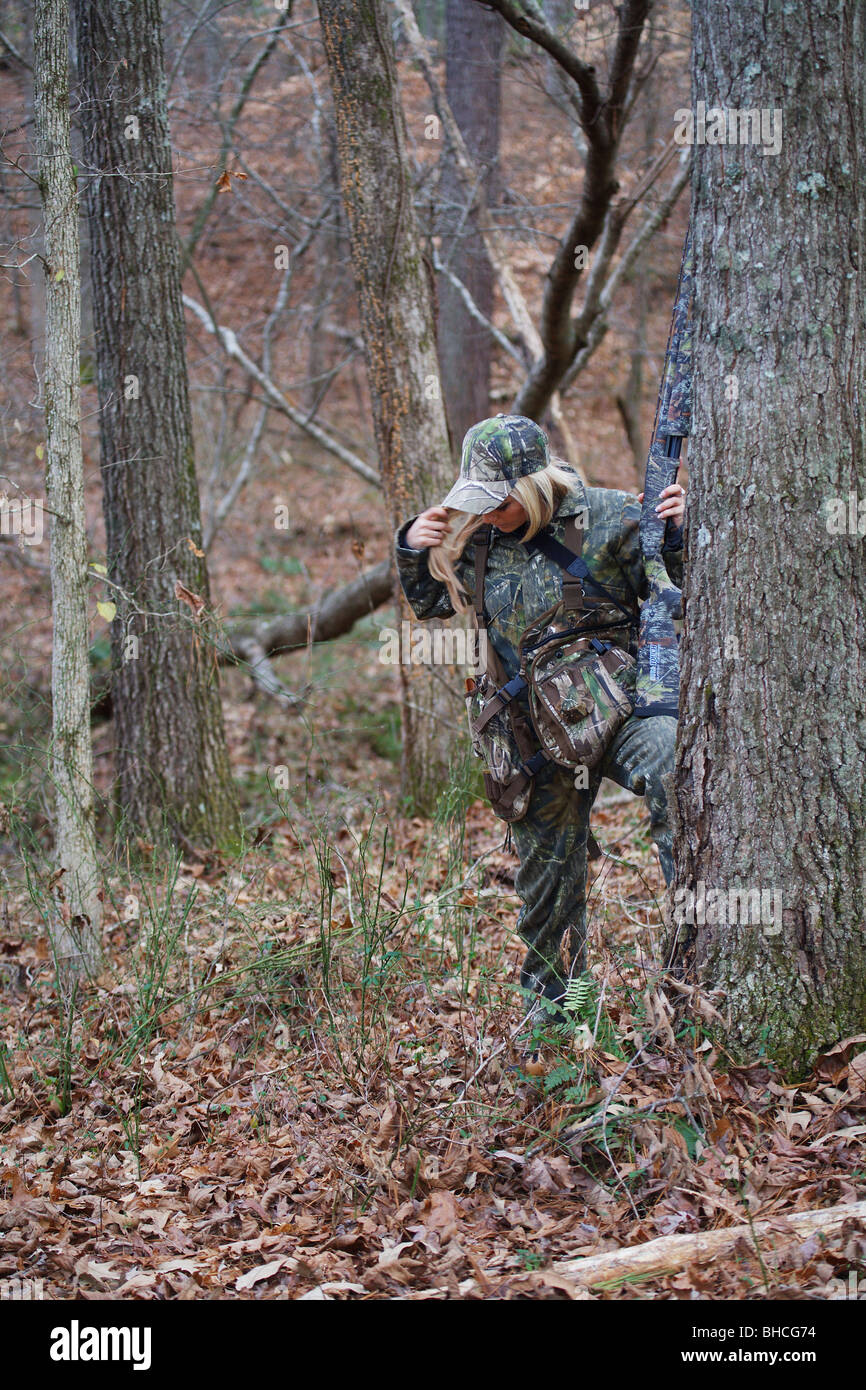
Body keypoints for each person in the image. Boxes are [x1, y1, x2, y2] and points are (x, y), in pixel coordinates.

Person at [394, 414, 685, 1030]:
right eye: (480, 500)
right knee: (549, 892)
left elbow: (683, 587)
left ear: (533, 486)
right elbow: (429, 604)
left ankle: (698, 969)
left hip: (621, 708)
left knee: (676, 768)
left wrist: (679, 533)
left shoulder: (612, 517)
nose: (489, 512)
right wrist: (413, 550)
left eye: (498, 500)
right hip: (530, 737)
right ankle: (562, 1024)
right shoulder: (475, 544)